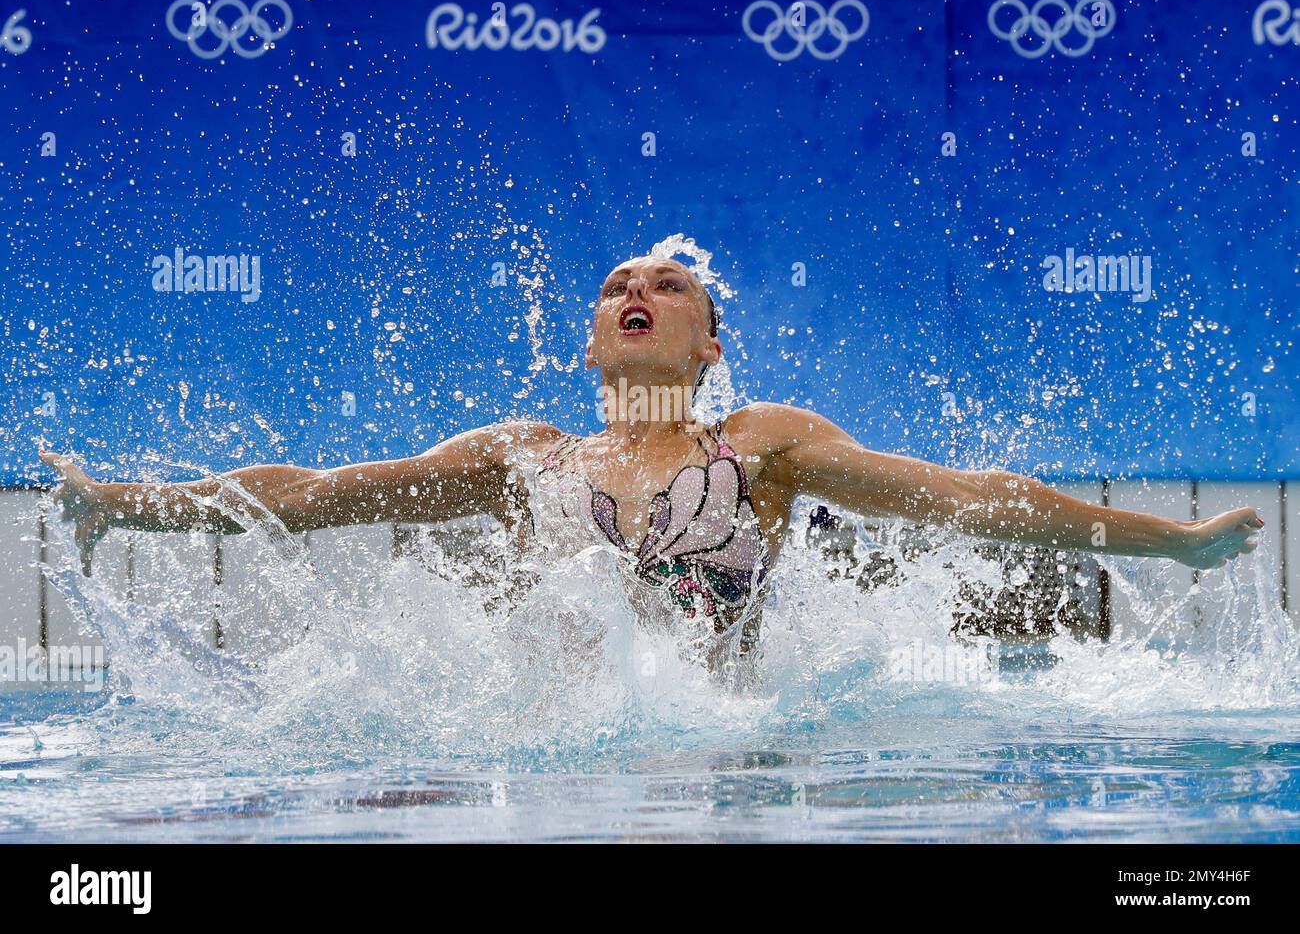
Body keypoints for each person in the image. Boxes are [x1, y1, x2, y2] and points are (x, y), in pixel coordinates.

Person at [39, 255, 1264, 674]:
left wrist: (1176, 542)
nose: (637, 291)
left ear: (709, 339)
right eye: (617, 284)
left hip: (713, 759)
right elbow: (306, 500)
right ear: (588, 339)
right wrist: (122, 505)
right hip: (548, 764)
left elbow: (974, 499)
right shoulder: (520, 457)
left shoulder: (765, 444)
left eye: (665, 284)